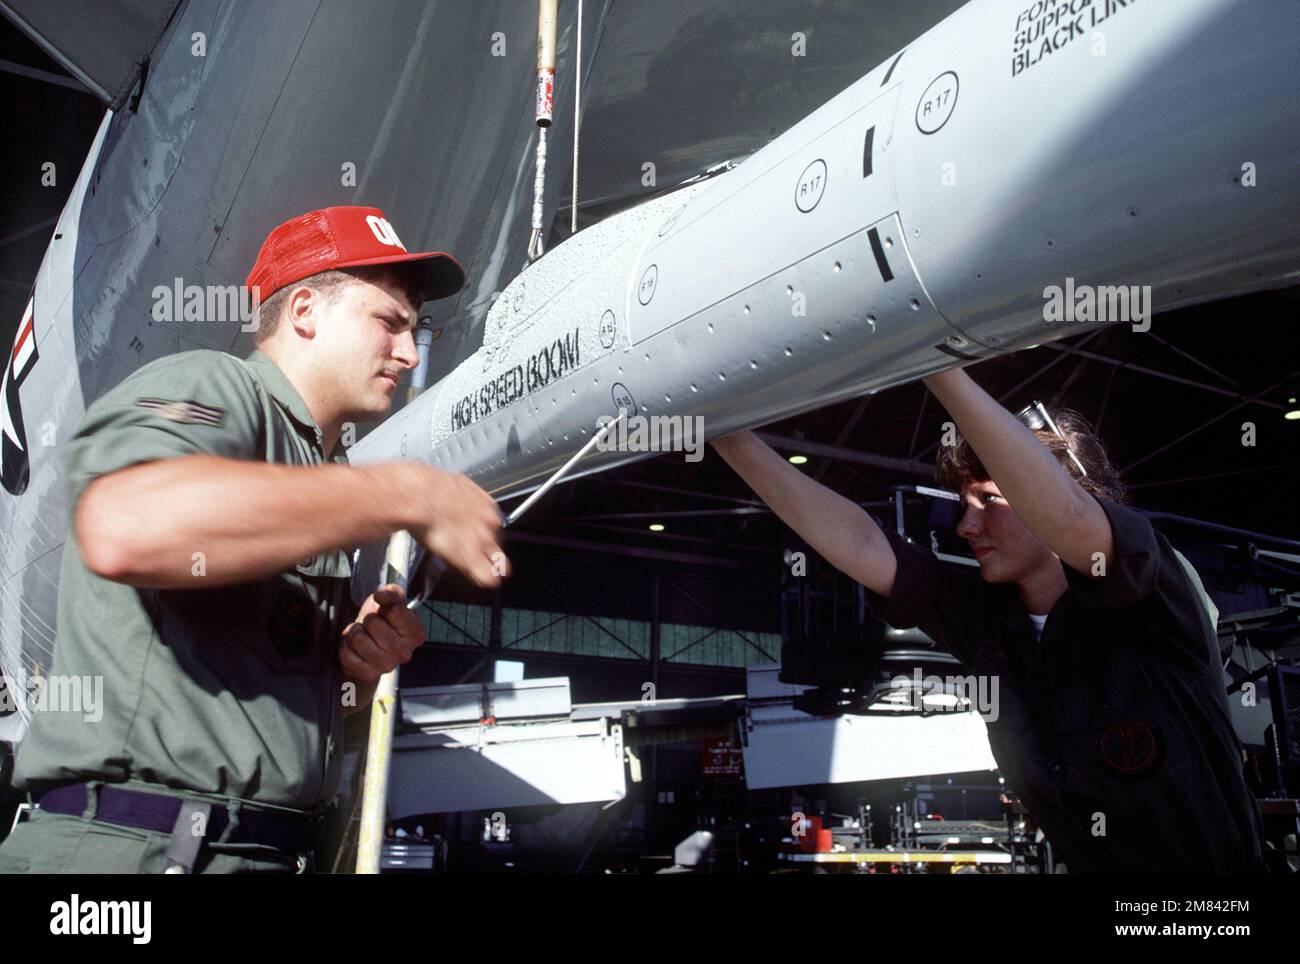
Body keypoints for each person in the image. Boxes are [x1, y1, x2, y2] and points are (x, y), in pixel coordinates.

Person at [0, 205, 508, 874]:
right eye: (389, 322)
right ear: (305, 311)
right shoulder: (210, 385)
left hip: (253, 850)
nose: (410, 354)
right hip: (137, 851)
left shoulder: (326, 474)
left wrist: (354, 670)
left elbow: (275, 700)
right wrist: (406, 491)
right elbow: (125, 527)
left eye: (416, 331)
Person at [712, 366, 1266, 873]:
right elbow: (861, 542)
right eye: (964, 504)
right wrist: (724, 432)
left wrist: (933, 358)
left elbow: (1069, 516)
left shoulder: (1154, 597)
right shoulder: (986, 623)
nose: (966, 526)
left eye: (990, 500)